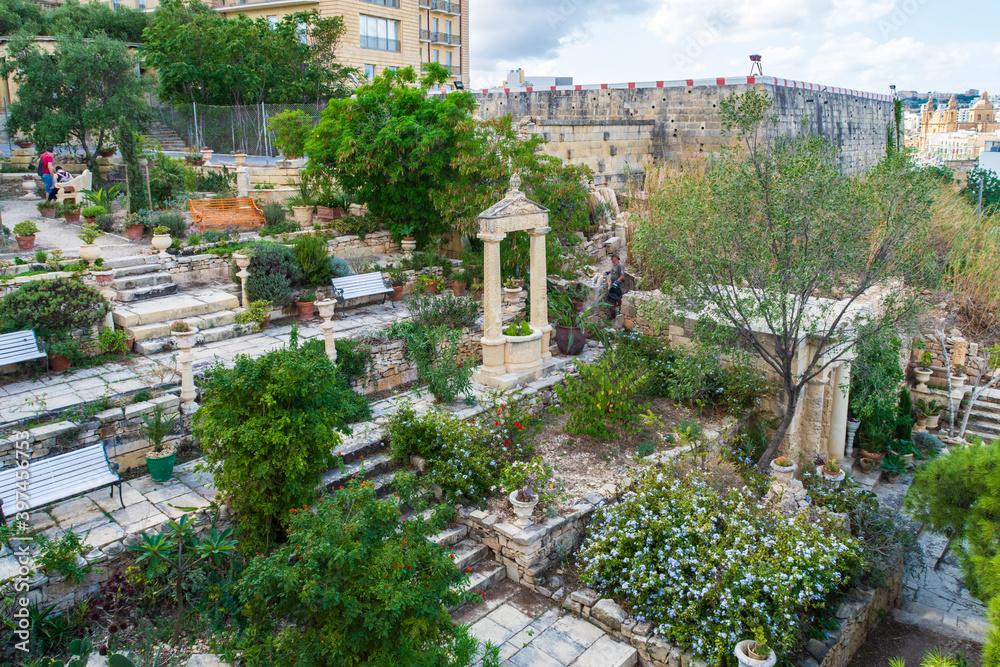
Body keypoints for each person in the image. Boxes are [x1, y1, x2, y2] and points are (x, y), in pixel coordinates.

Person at [604, 253, 624, 319]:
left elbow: (622, 275)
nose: (611, 258)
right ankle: (613, 313)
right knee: (613, 298)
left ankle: (621, 310)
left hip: (618, 285)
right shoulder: (613, 264)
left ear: (616, 258)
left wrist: (617, 281)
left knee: (618, 297)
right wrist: (608, 272)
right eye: (611, 257)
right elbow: (612, 270)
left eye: (613, 257)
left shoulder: (620, 265)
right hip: (613, 284)